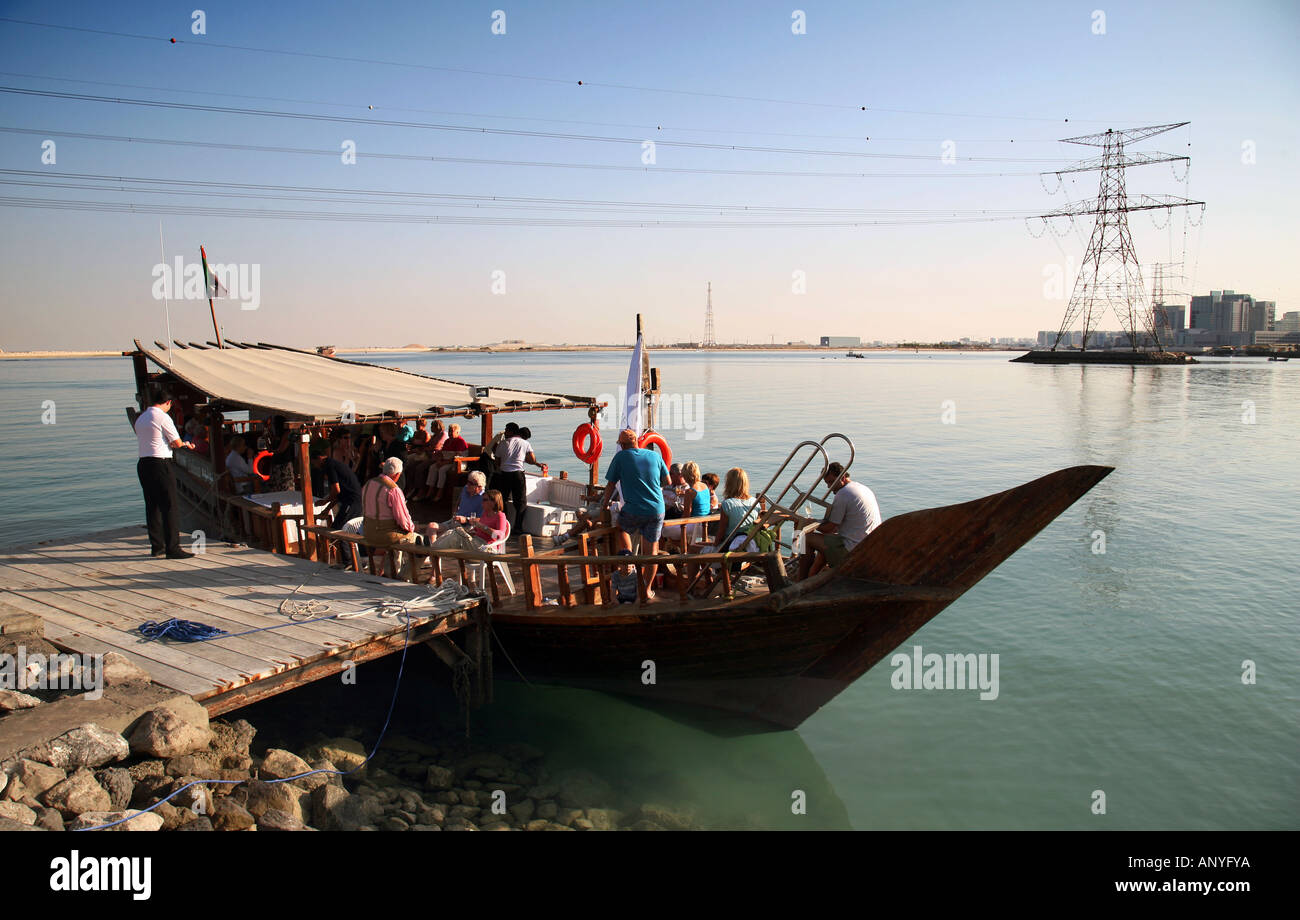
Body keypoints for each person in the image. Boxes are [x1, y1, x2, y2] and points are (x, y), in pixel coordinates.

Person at [595, 428, 671, 600]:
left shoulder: (621, 457)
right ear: (637, 441)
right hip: (656, 510)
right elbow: (667, 481)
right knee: (651, 553)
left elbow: (611, 484)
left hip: (633, 510)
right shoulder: (655, 456)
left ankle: (628, 555)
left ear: (622, 445)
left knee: (621, 527)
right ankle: (646, 590)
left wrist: (604, 505)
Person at [134, 386, 196, 559]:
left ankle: (157, 546)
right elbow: (176, 442)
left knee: (152, 506)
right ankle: (173, 548)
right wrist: (186, 445)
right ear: (168, 402)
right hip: (160, 463)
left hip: (143, 463)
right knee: (169, 506)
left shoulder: (141, 418)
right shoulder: (163, 417)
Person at [797, 462, 882, 580]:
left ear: (842, 477)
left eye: (831, 482)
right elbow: (834, 528)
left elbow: (829, 528)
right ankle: (812, 576)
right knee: (828, 541)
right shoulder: (862, 488)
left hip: (852, 551)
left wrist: (810, 523)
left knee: (805, 538)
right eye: (827, 483)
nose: (829, 487)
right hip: (868, 547)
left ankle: (800, 580)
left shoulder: (843, 494)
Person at [361, 457, 420, 577]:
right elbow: (403, 519)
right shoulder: (393, 489)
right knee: (422, 542)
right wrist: (413, 528)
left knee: (398, 537)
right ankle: (402, 576)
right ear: (397, 474)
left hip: (367, 531)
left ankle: (389, 574)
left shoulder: (369, 483)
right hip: (385, 536)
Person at [492, 422, 546, 533]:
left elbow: (497, 461)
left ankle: (504, 525)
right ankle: (518, 527)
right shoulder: (525, 443)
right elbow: (532, 459)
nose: (505, 432)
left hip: (504, 474)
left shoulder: (502, 443)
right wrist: (525, 459)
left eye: (506, 430)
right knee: (520, 502)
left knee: (503, 501)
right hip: (518, 474)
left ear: (511, 431)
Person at [430, 488, 509, 551]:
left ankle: (432, 551)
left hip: (486, 548)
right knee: (452, 532)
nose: (482, 502)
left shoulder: (500, 516)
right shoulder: (485, 514)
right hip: (476, 543)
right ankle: (433, 549)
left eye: (485, 500)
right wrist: (472, 531)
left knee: (458, 532)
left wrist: (481, 526)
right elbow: (478, 531)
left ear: (494, 502)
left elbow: (500, 536)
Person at [311, 438, 363, 528]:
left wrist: (324, 501)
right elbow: (338, 495)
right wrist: (327, 509)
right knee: (344, 529)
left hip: (352, 501)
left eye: (314, 463)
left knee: (338, 530)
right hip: (354, 501)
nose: (315, 466)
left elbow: (336, 490)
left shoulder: (329, 466)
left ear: (319, 459)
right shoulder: (333, 464)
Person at [426, 470, 486, 540]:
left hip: (467, 528)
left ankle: (431, 549)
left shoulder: (484, 498)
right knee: (431, 527)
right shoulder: (465, 489)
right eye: (467, 481)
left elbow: (483, 520)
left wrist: (466, 520)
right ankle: (432, 549)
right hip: (455, 521)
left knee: (440, 536)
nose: (467, 485)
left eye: (471, 483)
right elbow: (458, 502)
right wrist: (454, 514)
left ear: (479, 486)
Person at [426, 422, 470, 502]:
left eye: (452, 431)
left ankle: (440, 492)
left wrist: (443, 463)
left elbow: (456, 457)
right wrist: (439, 460)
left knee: (442, 470)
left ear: (457, 432)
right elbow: (442, 453)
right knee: (432, 467)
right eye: (449, 431)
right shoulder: (447, 441)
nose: (449, 433)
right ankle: (430, 490)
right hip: (445, 461)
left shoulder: (461, 442)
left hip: (457, 463)